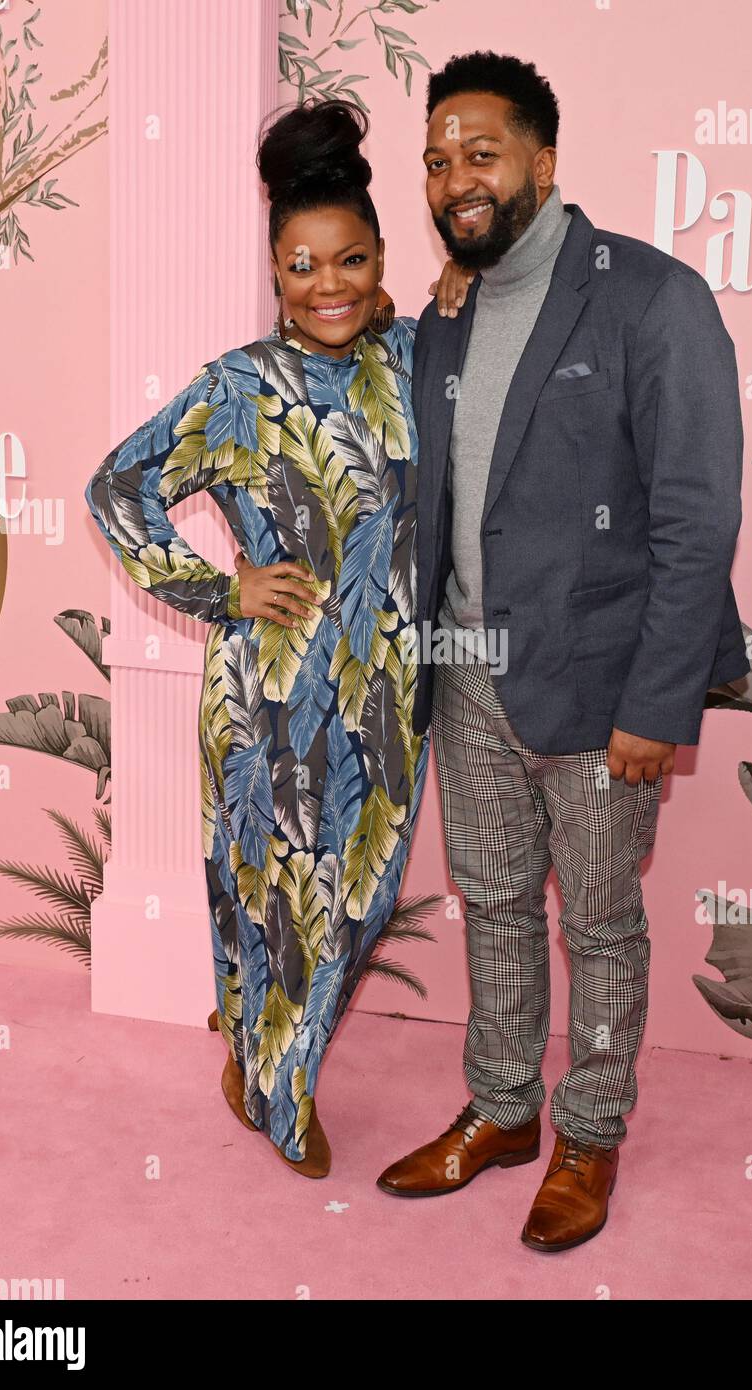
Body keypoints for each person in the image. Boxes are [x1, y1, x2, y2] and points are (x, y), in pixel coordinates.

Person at [376, 52, 750, 1251]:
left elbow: (696, 515)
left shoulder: (650, 296)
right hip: (468, 675)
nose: (454, 178)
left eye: (479, 153)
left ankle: (588, 1131)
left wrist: (656, 701)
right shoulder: (446, 312)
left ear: (543, 158)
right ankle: (501, 1111)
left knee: (595, 923)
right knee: (489, 903)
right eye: (436, 159)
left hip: (601, 685)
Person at [84, 99, 469, 1178]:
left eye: (350, 259)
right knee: (270, 884)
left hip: (390, 686)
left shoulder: (414, 355)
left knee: (364, 890)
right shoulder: (240, 384)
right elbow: (118, 488)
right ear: (273, 269)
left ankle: (254, 1044)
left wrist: (447, 295)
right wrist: (220, 589)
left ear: (382, 258)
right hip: (269, 689)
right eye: (303, 265)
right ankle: (282, 1084)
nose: (328, 284)